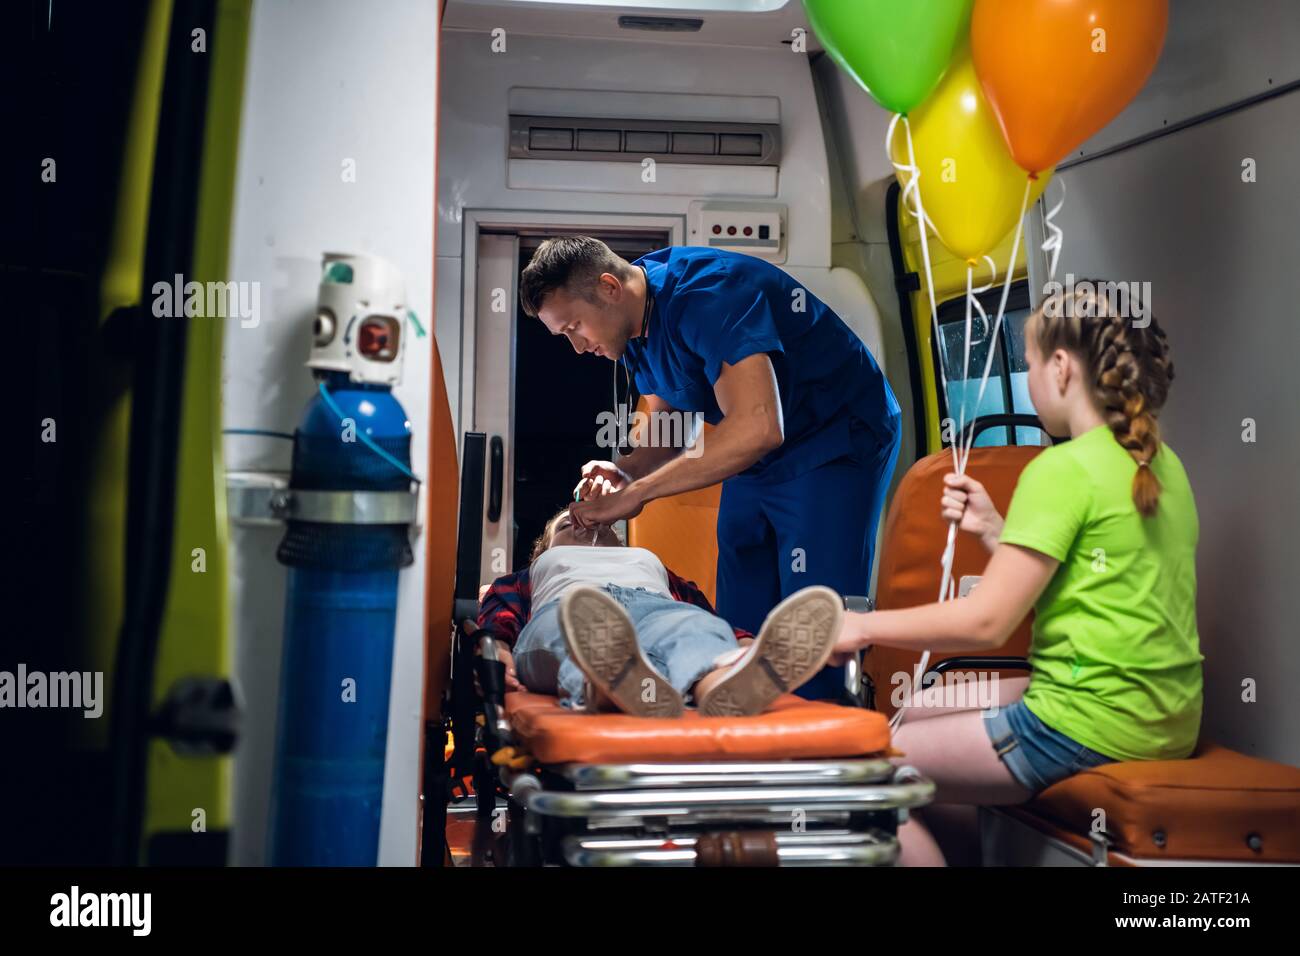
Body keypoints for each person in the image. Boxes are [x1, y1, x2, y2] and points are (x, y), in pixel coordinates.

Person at [830, 283, 1204, 865]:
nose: (1027, 380)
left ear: (1062, 368)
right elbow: (1091, 580)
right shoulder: (1160, 464)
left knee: (872, 762)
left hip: (1090, 720)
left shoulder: (1060, 469)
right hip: (1164, 714)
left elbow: (987, 622)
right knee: (922, 703)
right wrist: (995, 531)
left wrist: (861, 626)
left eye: (1029, 364)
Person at [518, 237, 900, 700]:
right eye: (565, 335)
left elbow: (760, 427)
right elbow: (671, 427)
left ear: (609, 288)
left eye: (575, 326)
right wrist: (626, 471)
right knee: (740, 605)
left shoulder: (711, 294)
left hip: (834, 438)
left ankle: (819, 724)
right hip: (759, 454)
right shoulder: (632, 328)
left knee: (812, 607)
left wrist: (639, 494)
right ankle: (733, 704)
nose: (578, 347)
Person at [477, 508, 842, 717]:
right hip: (569, 608)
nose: (584, 524)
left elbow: (700, 615)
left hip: (656, 607)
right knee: (581, 636)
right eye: (567, 524)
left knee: (691, 632)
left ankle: (723, 686)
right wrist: (497, 654)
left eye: (601, 522)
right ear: (545, 550)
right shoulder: (532, 575)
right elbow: (499, 618)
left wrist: (747, 647)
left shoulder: (648, 565)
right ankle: (606, 687)